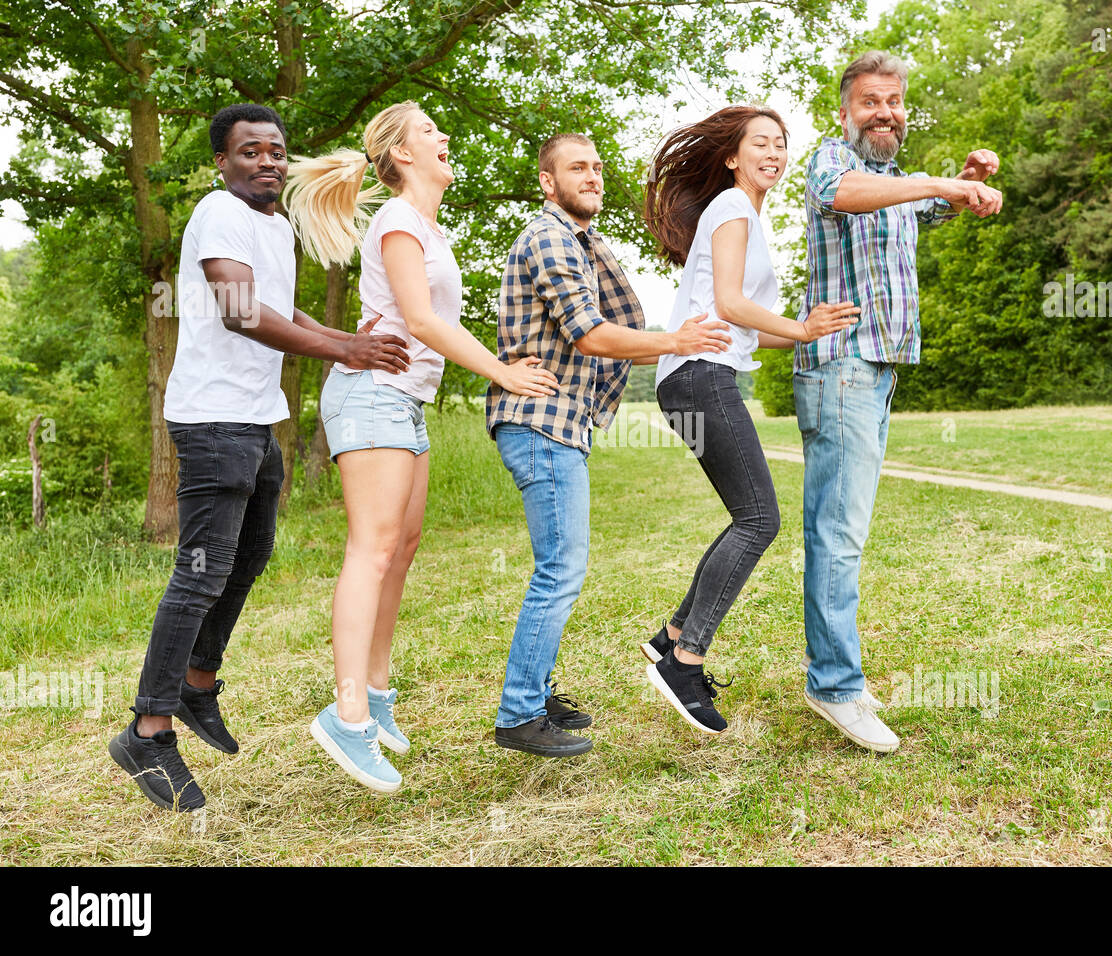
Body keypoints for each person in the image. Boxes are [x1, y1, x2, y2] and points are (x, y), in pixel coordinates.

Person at [109, 104, 411, 812]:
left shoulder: (274, 226)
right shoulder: (220, 212)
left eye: (276, 151)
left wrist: (343, 335)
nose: (268, 161)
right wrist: (346, 351)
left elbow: (282, 310)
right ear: (222, 161)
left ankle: (197, 681)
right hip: (214, 420)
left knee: (251, 554)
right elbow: (242, 309)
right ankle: (149, 731)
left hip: (256, 419)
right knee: (200, 573)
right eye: (250, 151)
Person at [284, 101, 558, 792]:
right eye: (431, 131)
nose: (445, 137)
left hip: (403, 402)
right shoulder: (399, 220)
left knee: (400, 550)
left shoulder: (427, 225)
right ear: (402, 154)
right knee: (370, 550)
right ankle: (345, 716)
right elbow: (422, 320)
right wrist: (502, 372)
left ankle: (375, 697)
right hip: (370, 395)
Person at [486, 133, 733, 758]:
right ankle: (519, 712)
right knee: (559, 571)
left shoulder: (580, 243)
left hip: (559, 421)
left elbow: (602, 327)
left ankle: (534, 697)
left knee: (561, 568)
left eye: (596, 167)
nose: (592, 175)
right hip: (541, 420)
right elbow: (590, 334)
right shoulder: (547, 238)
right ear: (548, 181)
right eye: (577, 168)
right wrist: (675, 341)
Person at [795, 51, 1003, 753]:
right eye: (871, 101)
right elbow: (843, 195)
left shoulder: (891, 180)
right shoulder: (831, 160)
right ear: (845, 110)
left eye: (895, 102)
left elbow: (922, 213)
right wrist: (942, 179)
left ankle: (834, 673)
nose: (885, 112)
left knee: (844, 528)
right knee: (837, 532)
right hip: (842, 366)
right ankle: (834, 685)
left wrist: (962, 187)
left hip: (877, 367)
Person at [639, 106, 859, 733]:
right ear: (732, 157)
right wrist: (800, 326)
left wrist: (802, 335)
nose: (774, 152)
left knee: (751, 516)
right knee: (761, 519)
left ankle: (672, 636)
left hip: (699, 376)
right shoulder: (733, 209)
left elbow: (735, 323)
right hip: (697, 378)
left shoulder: (746, 217)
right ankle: (685, 660)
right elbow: (733, 303)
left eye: (781, 144)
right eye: (760, 142)